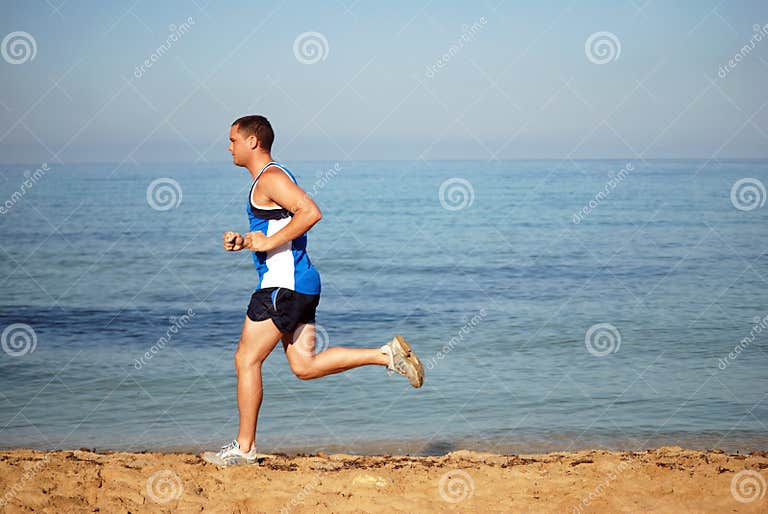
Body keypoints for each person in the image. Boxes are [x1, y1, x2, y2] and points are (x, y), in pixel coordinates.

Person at [202, 115, 425, 466]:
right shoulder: (272, 179)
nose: (228, 147)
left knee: (246, 359)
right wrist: (245, 241)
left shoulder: (271, 178)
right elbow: (279, 230)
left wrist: (266, 242)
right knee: (304, 366)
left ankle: (244, 448)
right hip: (298, 283)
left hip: (282, 286)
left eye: (232, 140)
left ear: (252, 142)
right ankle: (386, 355)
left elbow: (310, 213)